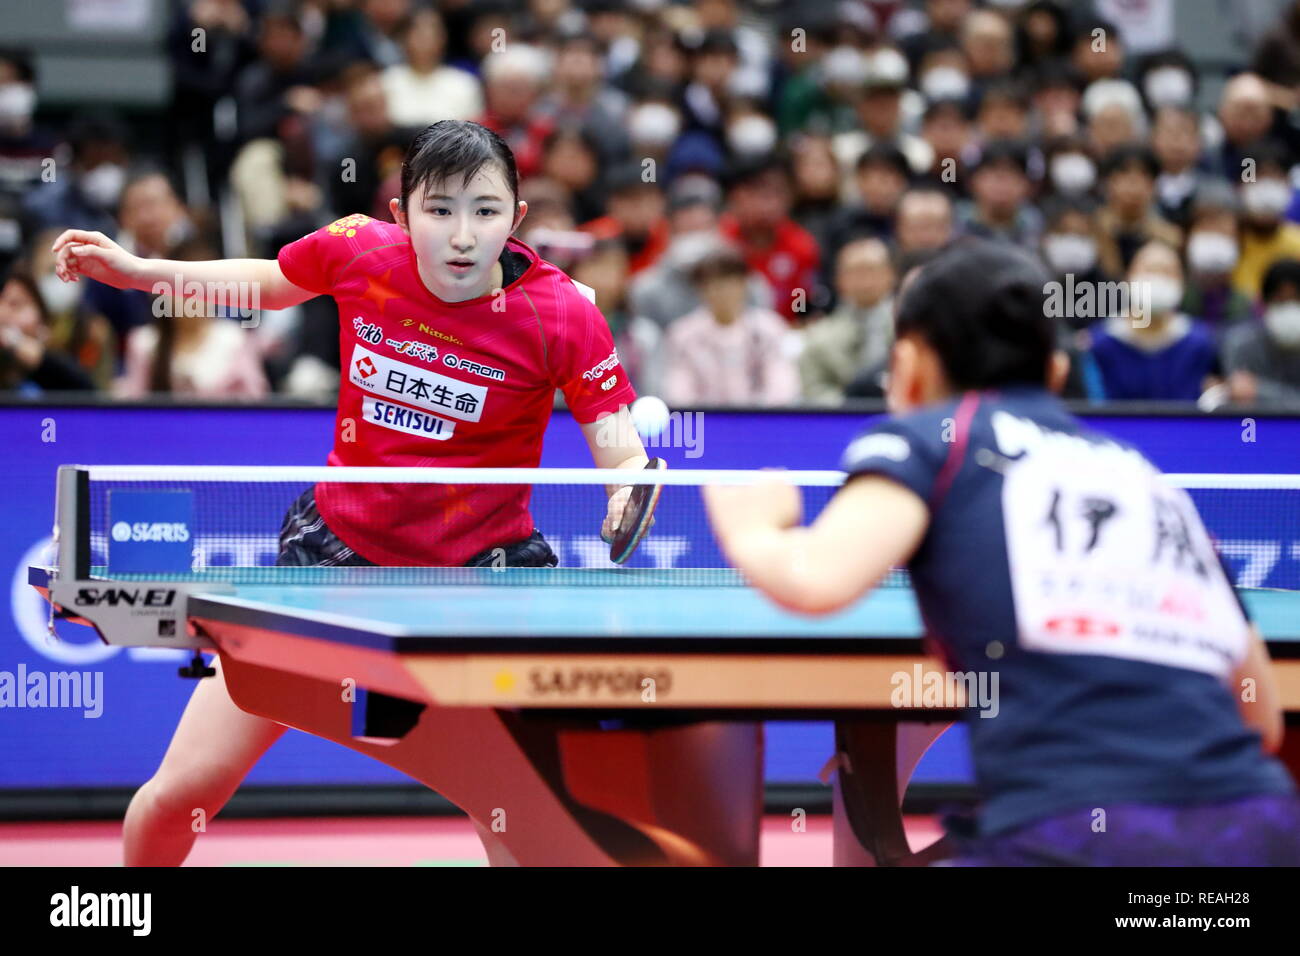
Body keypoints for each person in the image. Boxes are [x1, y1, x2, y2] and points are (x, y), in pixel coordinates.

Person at [51, 119, 650, 865]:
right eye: (440, 210)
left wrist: (627, 489)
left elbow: (618, 444)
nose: (462, 235)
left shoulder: (564, 314)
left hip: (477, 590)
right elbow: (267, 284)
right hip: (329, 565)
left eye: (486, 211)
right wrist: (143, 273)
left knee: (513, 812)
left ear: (517, 219)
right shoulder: (359, 250)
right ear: (402, 216)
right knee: (183, 793)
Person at [703, 237, 1299, 866]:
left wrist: (753, 527)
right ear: (1056, 373)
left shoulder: (938, 439)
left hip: (1071, 841)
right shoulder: (1151, 483)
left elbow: (815, 579)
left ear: (908, 367)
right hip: (1257, 839)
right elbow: (1261, 719)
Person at [1084, 240, 1219, 402]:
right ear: (1128, 279)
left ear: (1182, 284)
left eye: (1167, 272)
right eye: (1149, 270)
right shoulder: (1099, 342)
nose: (1157, 279)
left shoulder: (1200, 343)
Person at [1222, 257, 1300, 408]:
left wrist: (1260, 390)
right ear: (1263, 303)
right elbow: (1238, 398)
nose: (1289, 307)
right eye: (1280, 300)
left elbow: (1250, 391)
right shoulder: (1240, 344)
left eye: (1296, 299)